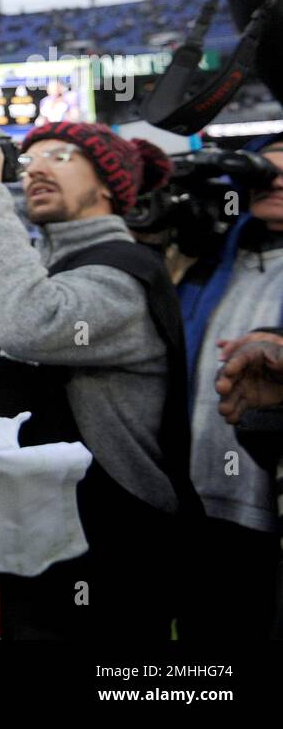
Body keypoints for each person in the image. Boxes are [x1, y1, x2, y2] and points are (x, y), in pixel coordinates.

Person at [0, 121, 199, 639]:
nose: (35, 168)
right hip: (14, 528)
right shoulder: (23, 268)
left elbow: (26, 323)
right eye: (28, 159)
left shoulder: (126, 276)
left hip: (105, 549)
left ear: (110, 184)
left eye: (60, 156)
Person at [175, 136, 283, 638]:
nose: (276, 181)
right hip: (199, 504)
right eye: (264, 170)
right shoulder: (214, 260)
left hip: (267, 506)